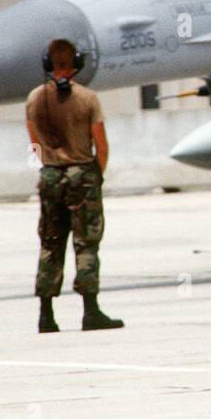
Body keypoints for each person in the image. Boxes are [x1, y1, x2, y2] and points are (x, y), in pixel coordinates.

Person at [26, 38, 124, 334]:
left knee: (50, 244)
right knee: (86, 243)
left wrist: (51, 166)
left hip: (50, 176)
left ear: (47, 64)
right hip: (82, 177)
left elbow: (34, 145)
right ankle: (90, 312)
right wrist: (95, 176)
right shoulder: (88, 99)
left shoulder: (34, 98)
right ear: (76, 63)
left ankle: (46, 315)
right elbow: (102, 147)